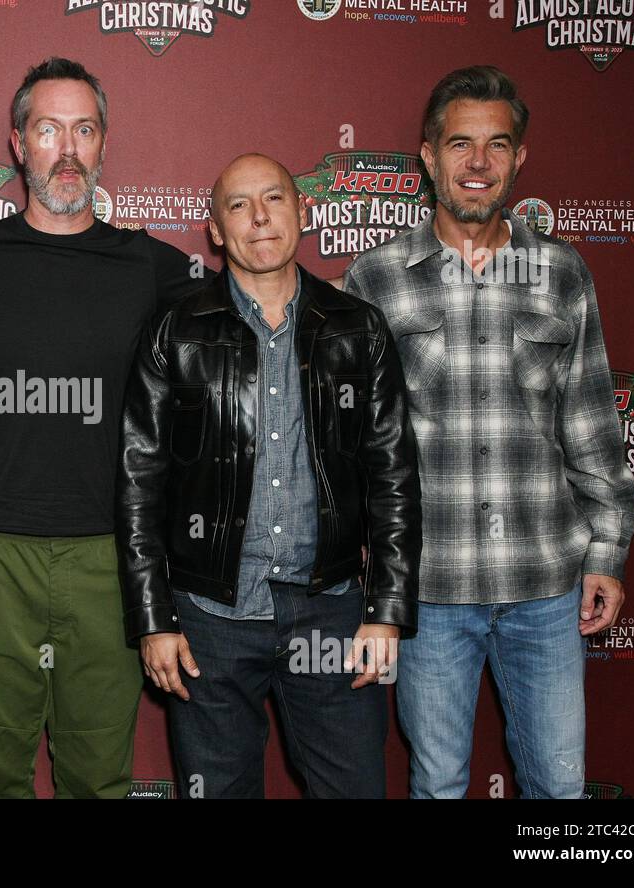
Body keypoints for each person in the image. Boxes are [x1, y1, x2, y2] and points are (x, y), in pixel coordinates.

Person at [0, 57, 207, 797]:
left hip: (111, 556)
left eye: (84, 130)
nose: (66, 149)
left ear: (103, 145)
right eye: (47, 129)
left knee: (99, 779)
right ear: (16, 142)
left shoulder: (150, 265)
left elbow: (244, 321)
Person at [343, 66, 634, 798]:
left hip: (546, 586)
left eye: (497, 145)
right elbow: (352, 441)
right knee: (438, 784)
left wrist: (608, 552)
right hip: (431, 587)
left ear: (519, 159)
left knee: (559, 789)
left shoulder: (563, 272)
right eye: (460, 145)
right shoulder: (377, 278)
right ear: (427, 155)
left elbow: (592, 424)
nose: (478, 164)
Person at [117, 153, 420, 798]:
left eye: (274, 199)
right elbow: (141, 482)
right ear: (216, 232)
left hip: (332, 612)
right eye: (238, 205)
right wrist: (155, 617)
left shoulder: (357, 327)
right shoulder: (175, 332)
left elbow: (392, 473)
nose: (259, 218)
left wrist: (387, 610)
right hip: (210, 617)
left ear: (302, 212)